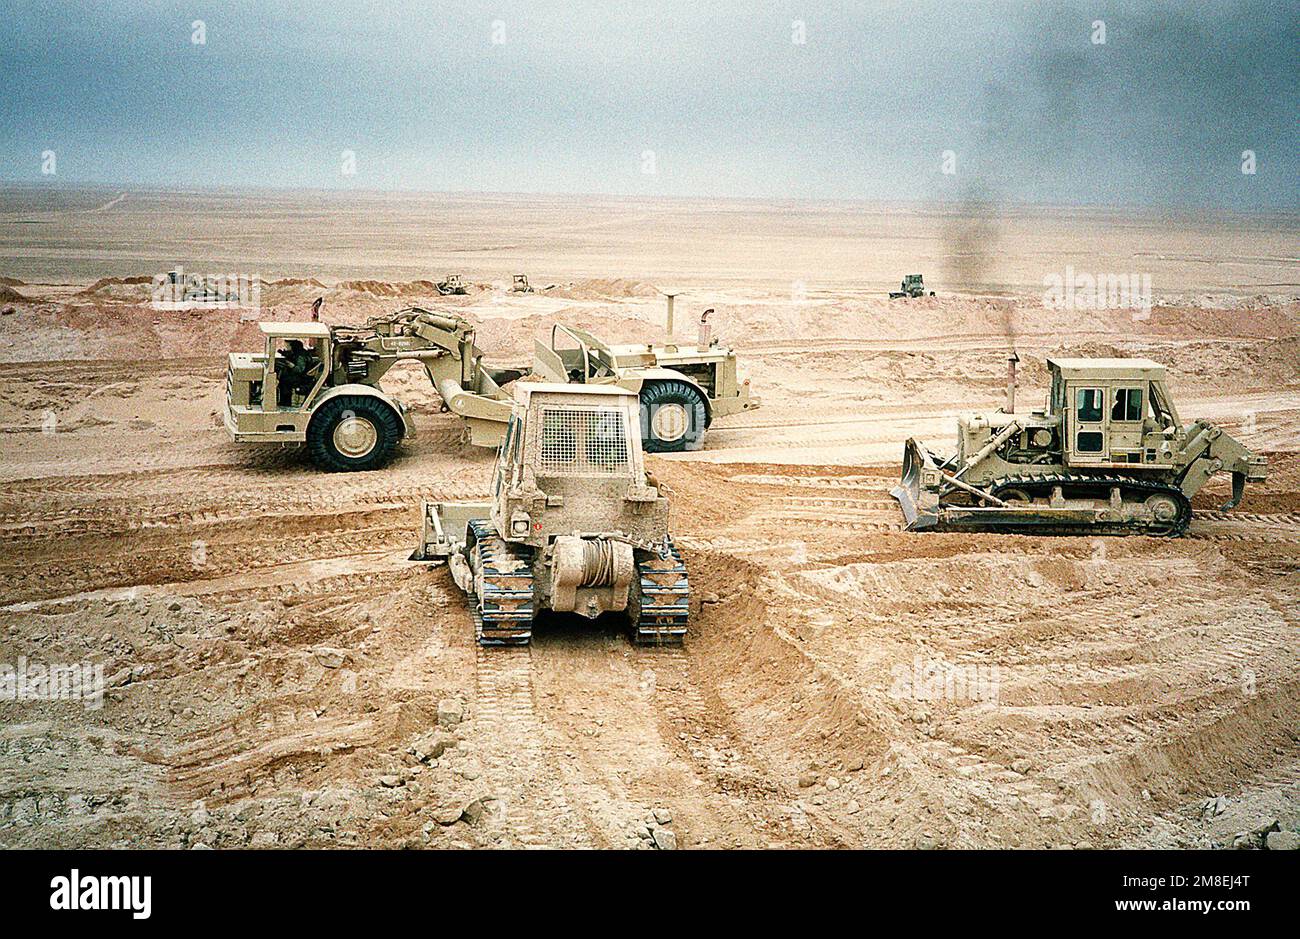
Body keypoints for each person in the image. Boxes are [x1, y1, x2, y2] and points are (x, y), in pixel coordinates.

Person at [275, 339, 319, 405]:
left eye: (291, 347)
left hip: (302, 378)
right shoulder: (301, 353)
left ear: (295, 347)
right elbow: (291, 355)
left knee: (284, 380)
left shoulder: (301, 356)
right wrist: (283, 353)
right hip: (303, 376)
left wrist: (290, 365)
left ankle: (285, 402)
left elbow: (299, 370)